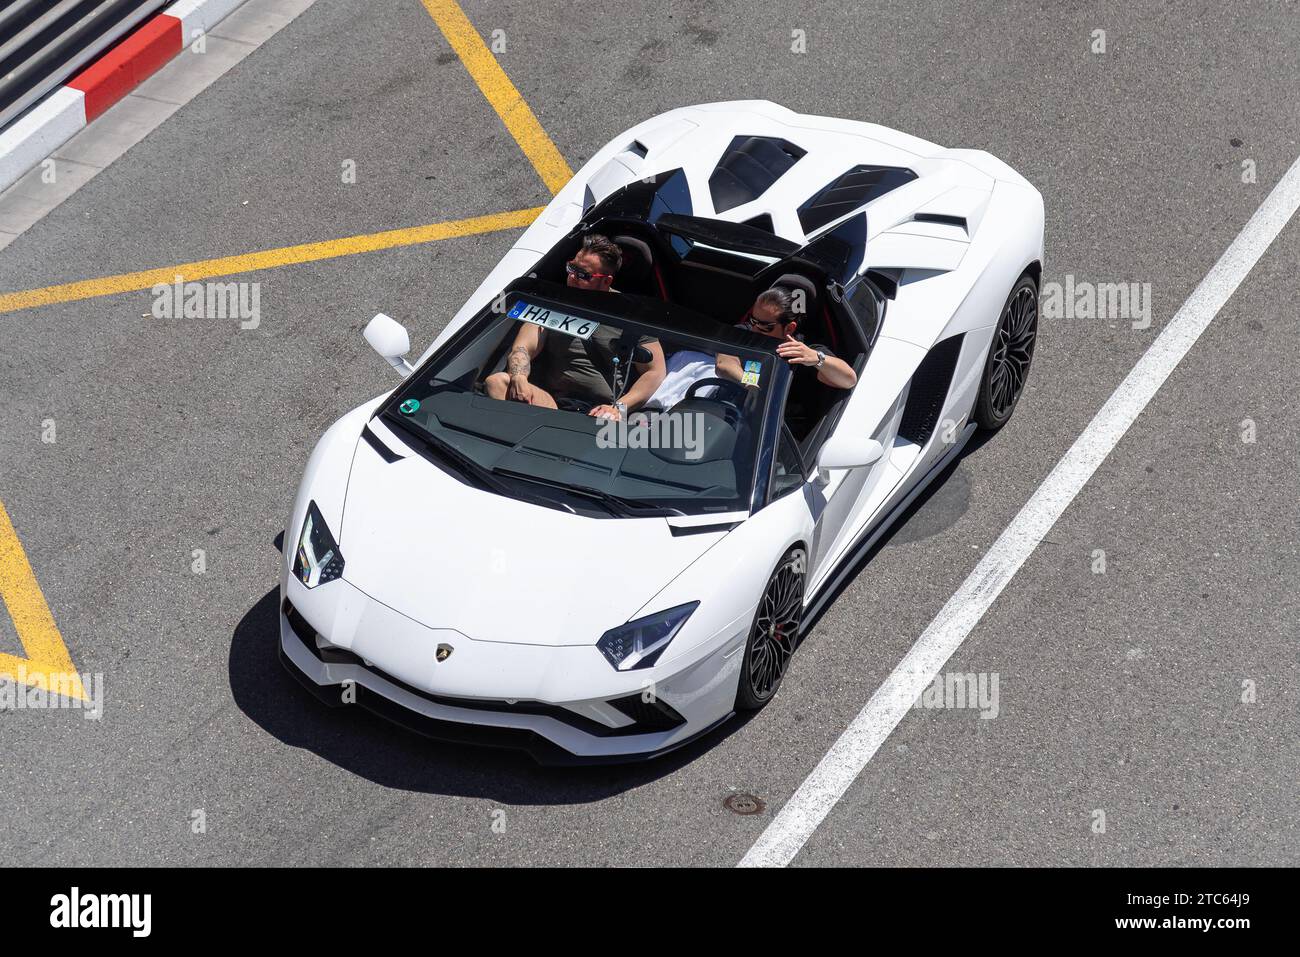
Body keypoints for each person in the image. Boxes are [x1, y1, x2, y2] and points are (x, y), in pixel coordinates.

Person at [484, 234, 665, 419]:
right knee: (497, 382)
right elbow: (523, 347)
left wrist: (619, 408)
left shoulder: (630, 315)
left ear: (606, 281)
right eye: (571, 268)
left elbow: (655, 371)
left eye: (583, 275)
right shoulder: (552, 303)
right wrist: (519, 378)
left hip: (604, 411)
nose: (572, 277)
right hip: (554, 404)